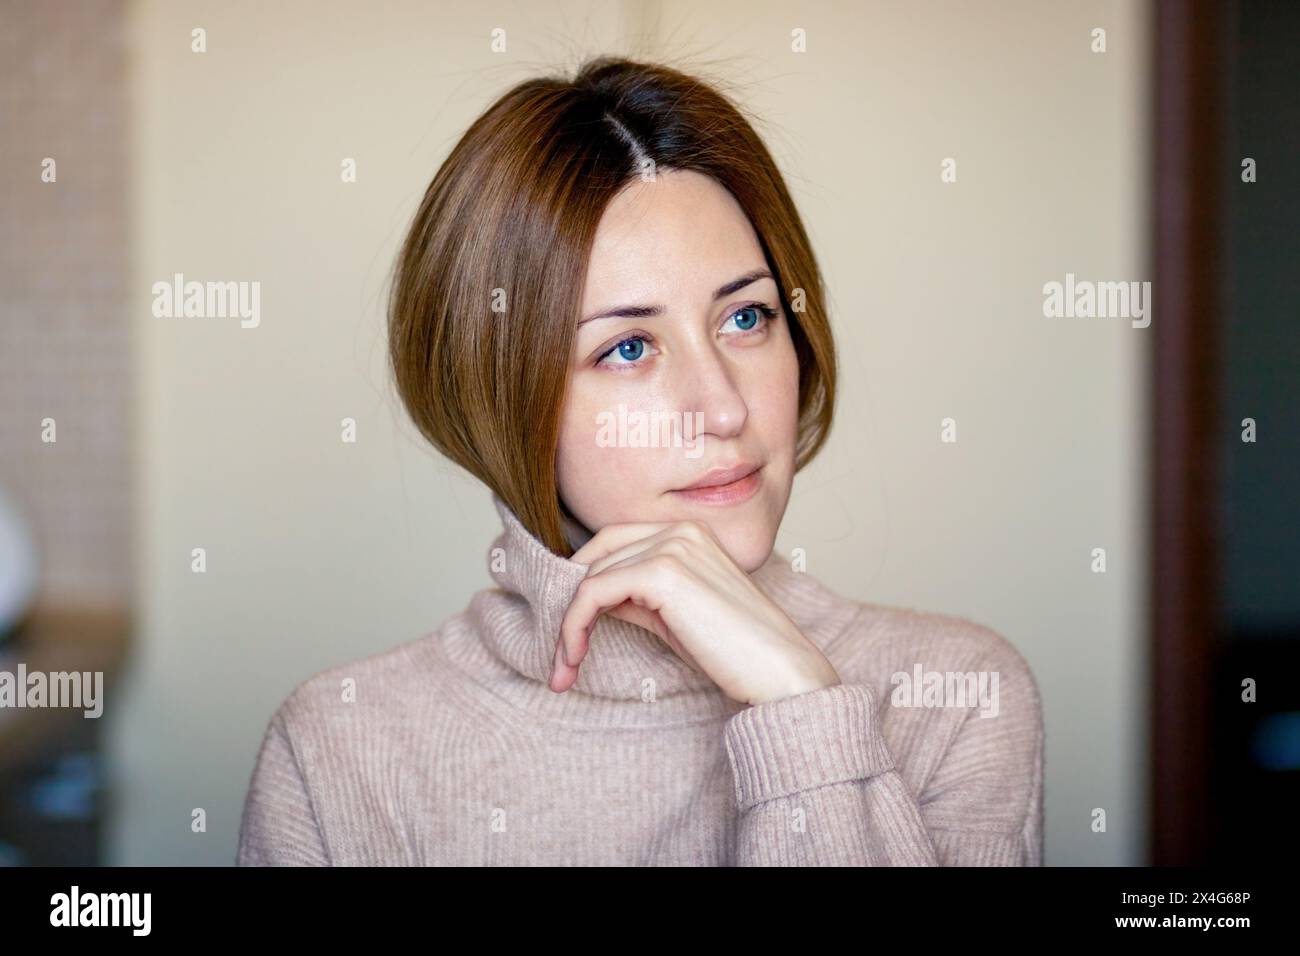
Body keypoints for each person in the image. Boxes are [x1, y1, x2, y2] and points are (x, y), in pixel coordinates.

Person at [237, 55, 1044, 866]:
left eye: (747, 318)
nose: (725, 408)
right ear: (500, 391)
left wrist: (805, 710)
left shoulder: (954, 698)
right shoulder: (341, 750)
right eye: (627, 347)